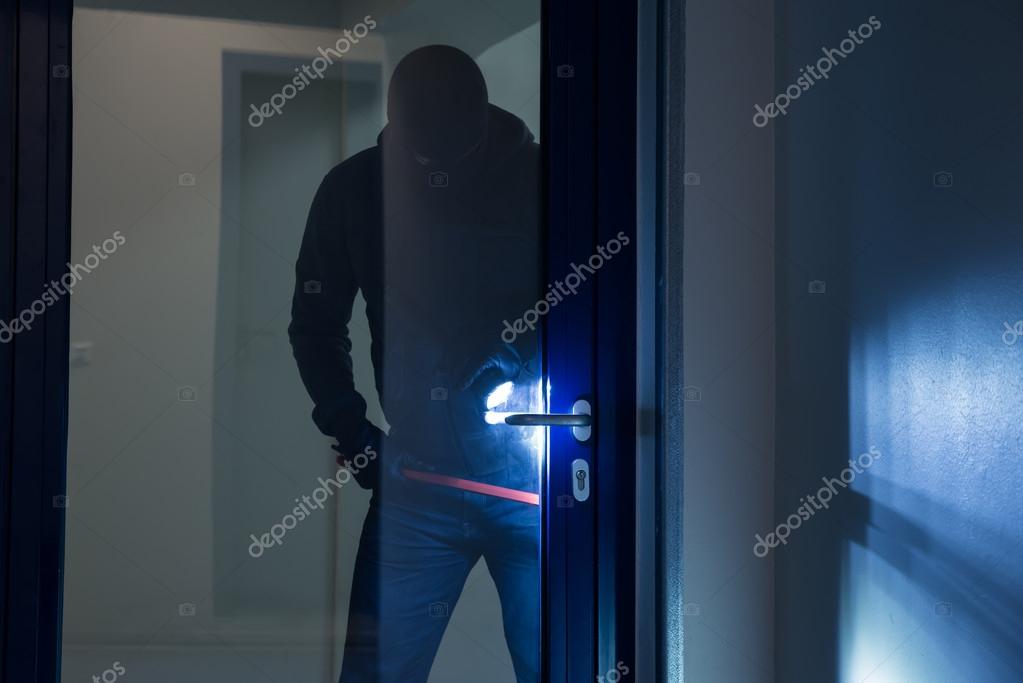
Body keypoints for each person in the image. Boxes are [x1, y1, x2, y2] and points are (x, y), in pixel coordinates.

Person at [288, 45, 541, 682]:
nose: (438, 171)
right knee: (375, 675)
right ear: (399, 129)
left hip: (535, 478)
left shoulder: (541, 180)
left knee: (561, 662)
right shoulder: (354, 190)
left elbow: (594, 296)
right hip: (416, 481)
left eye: (453, 155)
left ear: (484, 122)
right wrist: (353, 432)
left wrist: (513, 353)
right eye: (425, 156)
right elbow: (315, 325)